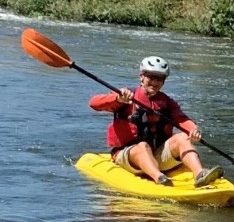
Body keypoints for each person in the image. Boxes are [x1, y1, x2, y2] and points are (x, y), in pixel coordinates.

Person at [89, 56, 221, 188]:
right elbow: (94, 103)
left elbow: (182, 119)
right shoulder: (126, 96)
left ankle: (200, 174)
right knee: (143, 146)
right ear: (141, 77)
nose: (155, 82)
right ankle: (160, 179)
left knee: (182, 137)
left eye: (159, 78)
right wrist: (117, 99)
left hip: (157, 155)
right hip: (128, 156)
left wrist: (193, 130)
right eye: (151, 77)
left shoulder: (167, 102)